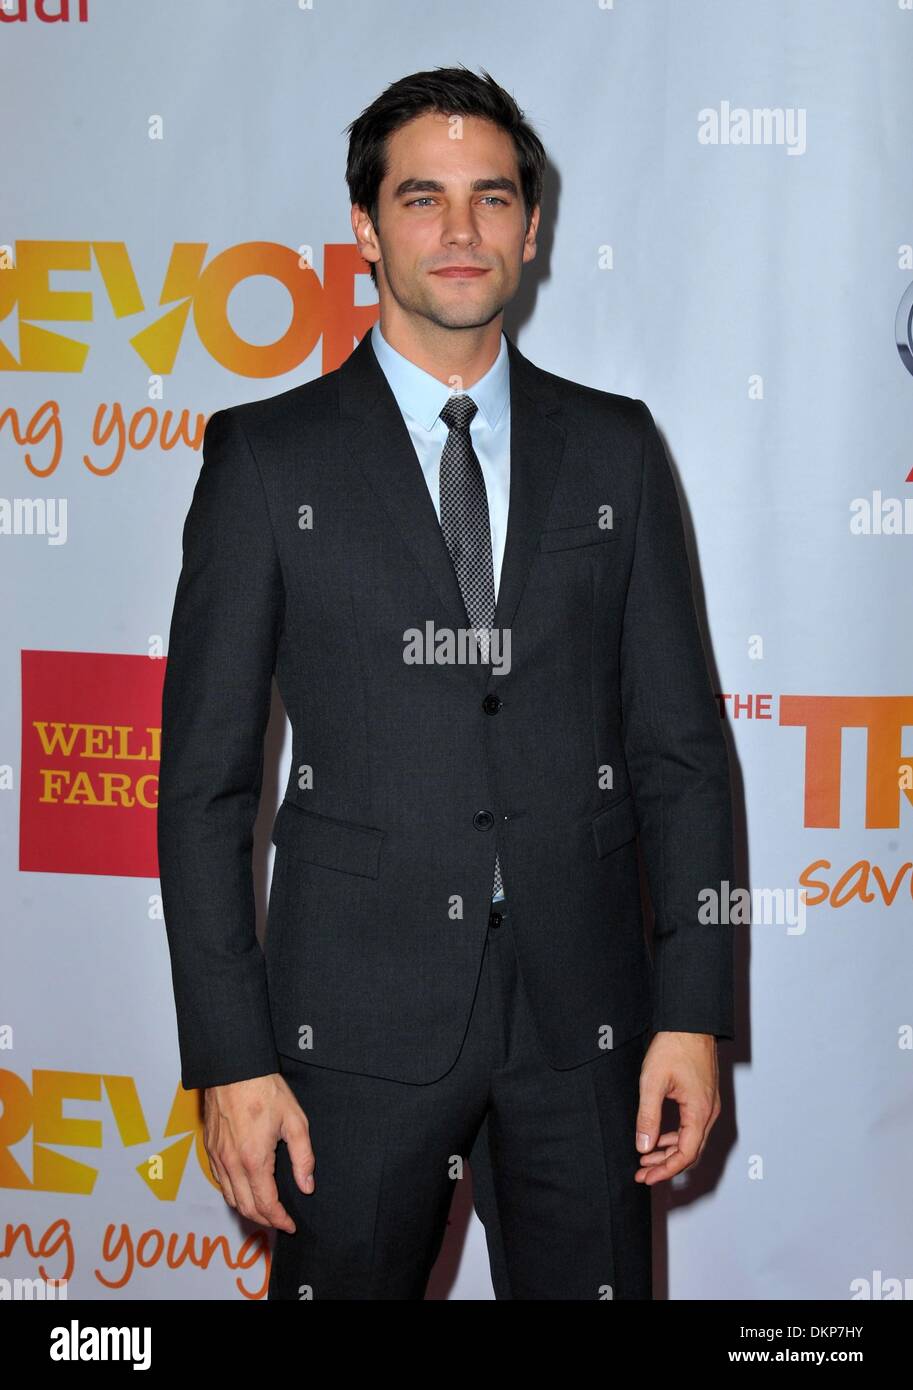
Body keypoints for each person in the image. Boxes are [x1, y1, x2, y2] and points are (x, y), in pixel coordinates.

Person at [157, 65, 735, 1301]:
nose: (461, 232)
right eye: (423, 198)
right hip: (345, 1035)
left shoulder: (618, 448)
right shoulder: (265, 459)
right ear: (363, 228)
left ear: (532, 228)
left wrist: (690, 1011)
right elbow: (203, 786)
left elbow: (682, 755)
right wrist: (230, 1057)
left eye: (492, 198)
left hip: (586, 1033)